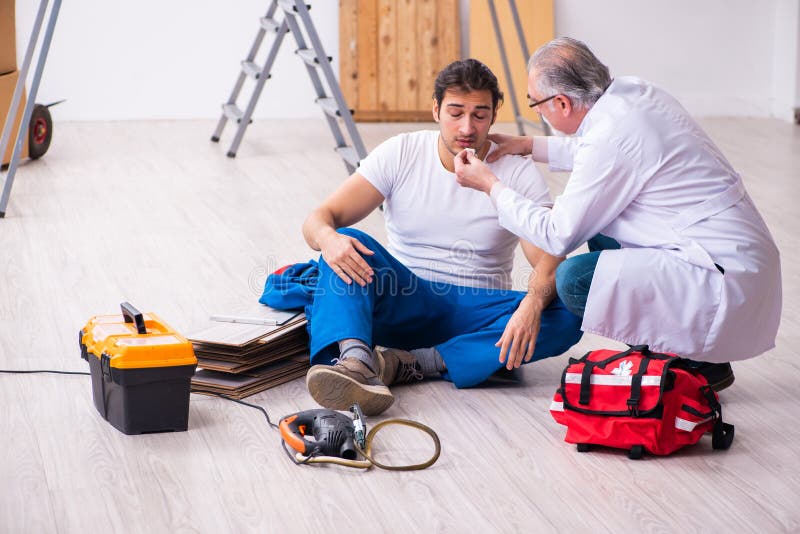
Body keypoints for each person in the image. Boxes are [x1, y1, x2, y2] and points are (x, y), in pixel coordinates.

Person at [453, 38, 782, 391]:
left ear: (562, 103)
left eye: (536, 104)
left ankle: (694, 361)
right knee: (601, 226)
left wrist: (490, 186)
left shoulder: (609, 139)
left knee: (574, 281)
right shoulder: (632, 93)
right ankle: (675, 349)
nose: (538, 114)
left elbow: (556, 234)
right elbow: (607, 149)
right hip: (731, 250)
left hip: (719, 273)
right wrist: (530, 145)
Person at [262, 59, 582, 415]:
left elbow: (550, 261)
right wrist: (328, 239)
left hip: (474, 308)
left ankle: (416, 362)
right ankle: (356, 363)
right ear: (435, 110)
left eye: (479, 115)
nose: (467, 127)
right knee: (347, 239)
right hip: (406, 297)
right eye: (455, 113)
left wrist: (532, 306)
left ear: (494, 116)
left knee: (572, 308)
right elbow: (319, 219)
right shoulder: (402, 152)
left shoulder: (516, 172)